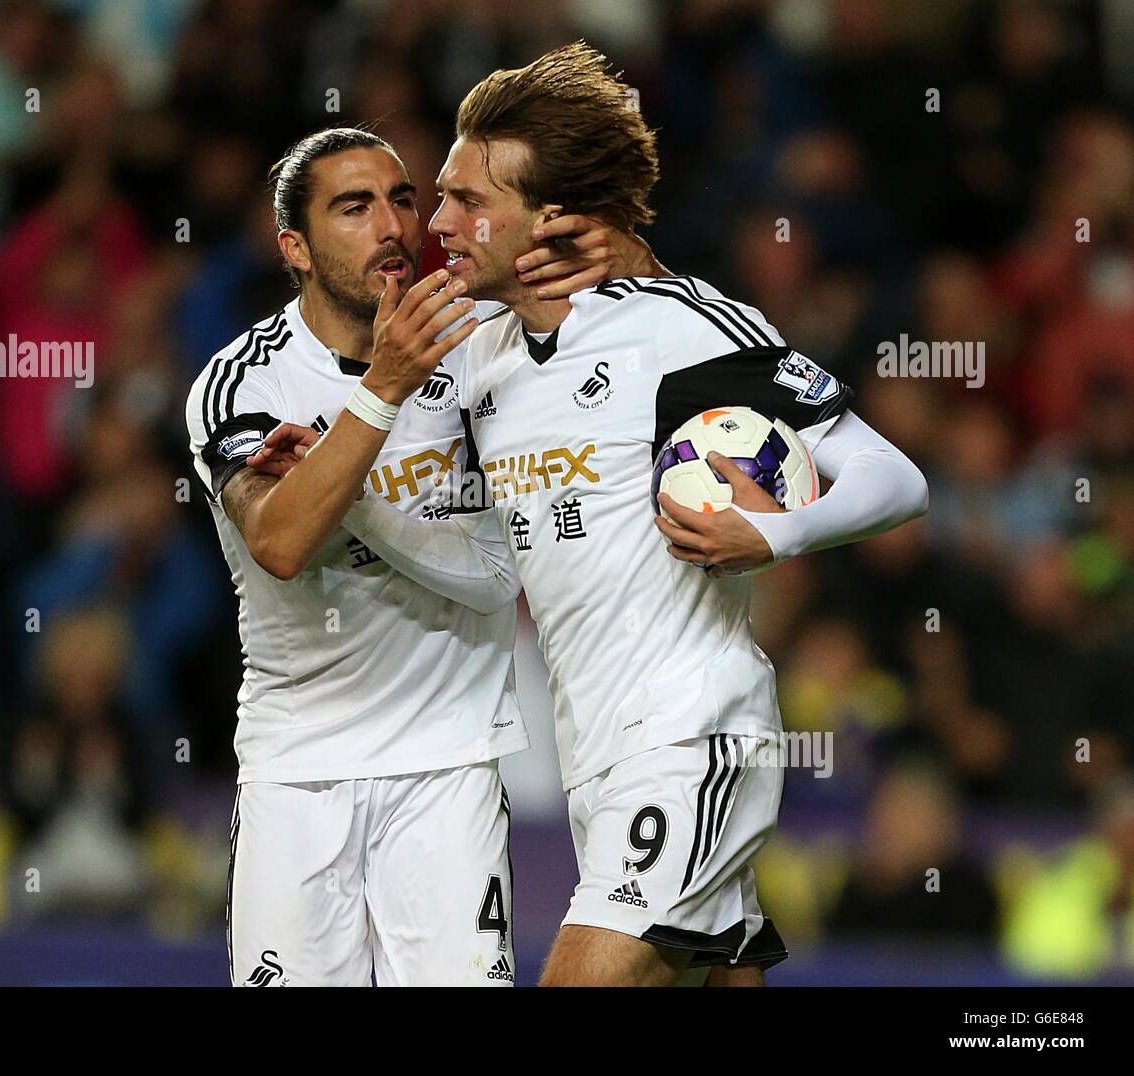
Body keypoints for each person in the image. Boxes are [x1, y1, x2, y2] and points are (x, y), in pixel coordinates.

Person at [268, 43, 929, 986]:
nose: (437, 222)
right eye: (441, 195)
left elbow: (892, 476)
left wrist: (770, 531)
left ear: (555, 221)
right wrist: (360, 505)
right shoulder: (480, 355)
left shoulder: (683, 328)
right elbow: (498, 564)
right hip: (596, 761)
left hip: (694, 735)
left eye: (467, 202)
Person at [184, 126, 661, 986]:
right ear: (294, 245)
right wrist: (383, 389)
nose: (393, 225)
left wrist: (626, 249)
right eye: (354, 207)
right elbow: (281, 541)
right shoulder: (244, 380)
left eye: (403, 199)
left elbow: (632, 313)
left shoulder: (482, 334)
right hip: (299, 771)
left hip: (451, 767)